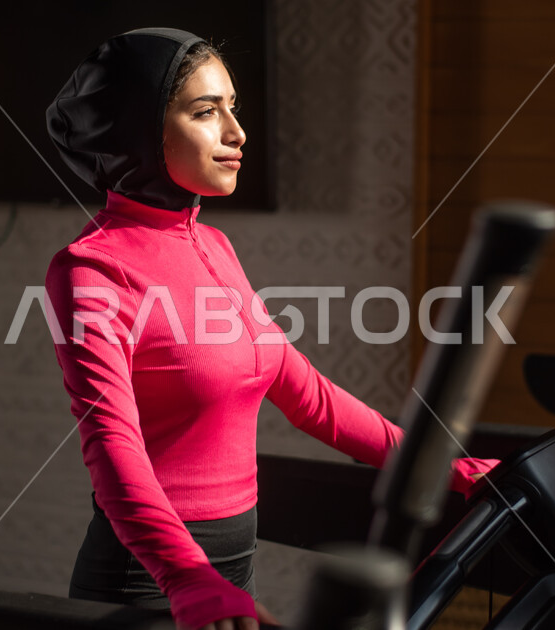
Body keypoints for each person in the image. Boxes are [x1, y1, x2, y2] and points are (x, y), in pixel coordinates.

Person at [44, 27, 497, 630]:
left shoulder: (215, 245)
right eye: (206, 112)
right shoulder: (90, 269)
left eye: (233, 108)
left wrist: (445, 465)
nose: (236, 133)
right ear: (136, 129)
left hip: (233, 572)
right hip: (148, 583)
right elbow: (113, 450)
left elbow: (308, 395)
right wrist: (189, 578)